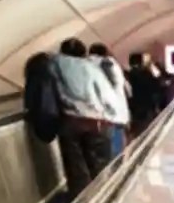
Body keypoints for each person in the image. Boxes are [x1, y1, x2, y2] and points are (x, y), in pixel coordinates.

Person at [49, 38, 119, 193]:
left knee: (76, 170)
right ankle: (101, 202)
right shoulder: (91, 68)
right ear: (83, 53)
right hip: (96, 122)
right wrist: (112, 115)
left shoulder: (53, 65)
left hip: (70, 122)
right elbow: (108, 96)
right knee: (100, 168)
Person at [87, 42, 130, 158]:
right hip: (117, 114)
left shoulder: (90, 65)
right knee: (116, 152)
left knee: (103, 154)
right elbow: (127, 91)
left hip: (101, 115)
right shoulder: (113, 65)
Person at [22, 52, 61, 144]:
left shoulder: (33, 78)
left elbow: (29, 101)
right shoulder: (54, 77)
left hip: (41, 118)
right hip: (56, 117)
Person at [126, 52, 163, 136]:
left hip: (134, 107)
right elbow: (157, 86)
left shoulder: (128, 75)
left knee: (137, 131)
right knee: (147, 131)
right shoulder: (146, 74)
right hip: (147, 106)